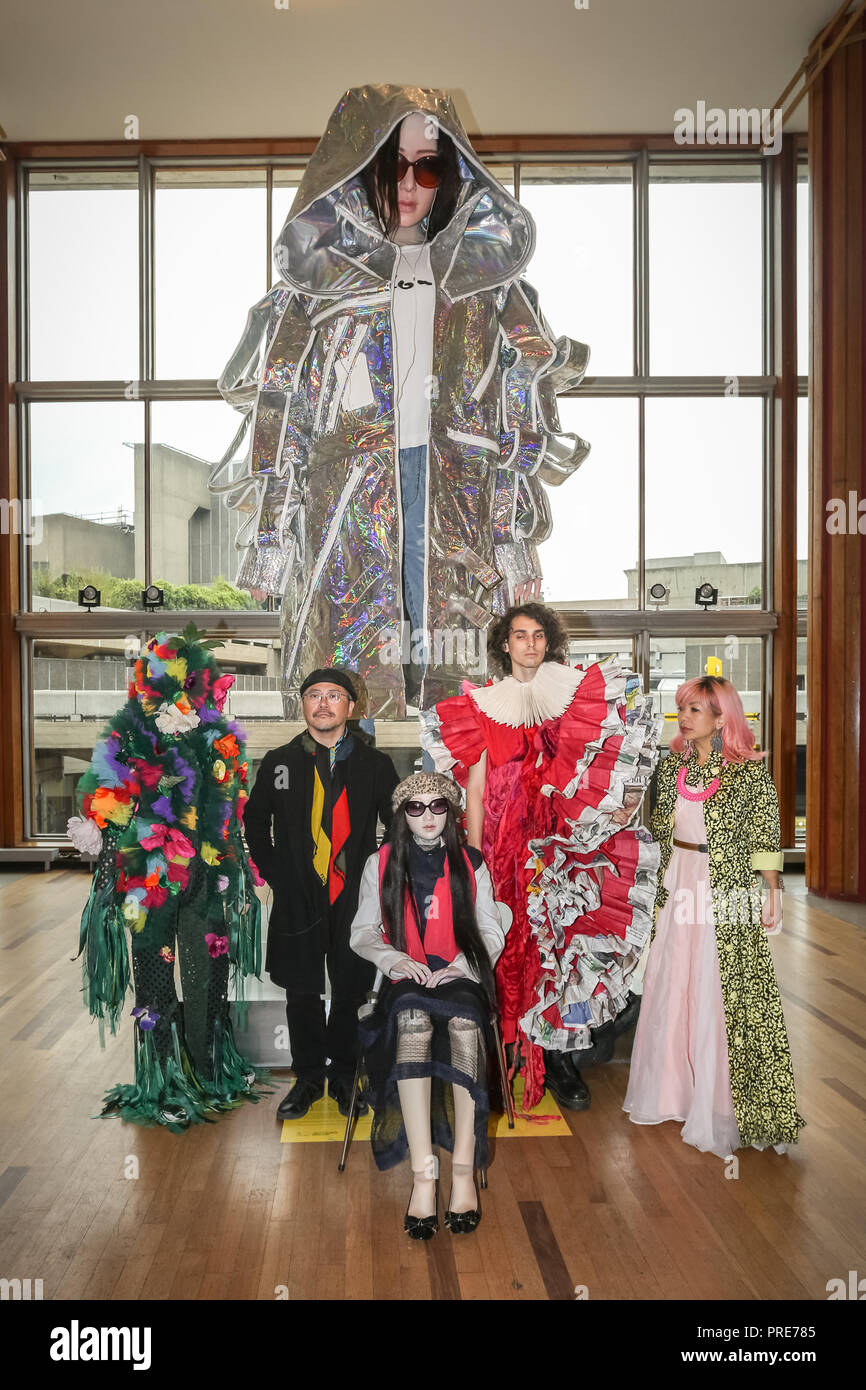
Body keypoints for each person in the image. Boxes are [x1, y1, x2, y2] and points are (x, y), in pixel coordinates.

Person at [211, 83, 591, 718]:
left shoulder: (488, 288)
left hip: (456, 491)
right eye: (395, 164)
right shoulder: (317, 291)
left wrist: (513, 536)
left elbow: (516, 406)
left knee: (458, 662)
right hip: (349, 494)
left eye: (429, 165)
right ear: (360, 168)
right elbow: (285, 407)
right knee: (348, 655)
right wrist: (273, 534)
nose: (411, 183)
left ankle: (447, 798)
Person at [423, 603, 661, 1113]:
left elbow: (605, 770)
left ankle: (559, 1059)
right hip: (504, 850)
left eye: (537, 635)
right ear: (504, 645)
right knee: (503, 949)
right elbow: (478, 788)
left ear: (547, 642)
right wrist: (474, 858)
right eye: (518, 635)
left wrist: (611, 817)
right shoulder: (483, 705)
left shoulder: (577, 698)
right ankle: (500, 1053)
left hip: (564, 849)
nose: (528, 644)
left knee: (562, 952)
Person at [69, 623, 264, 1131]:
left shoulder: (220, 735)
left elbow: (232, 806)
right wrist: (103, 840)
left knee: (209, 975)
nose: (176, 686)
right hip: (146, 878)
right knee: (152, 980)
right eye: (162, 674)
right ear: (147, 679)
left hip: (208, 874)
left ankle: (207, 1071)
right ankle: (163, 1080)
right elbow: (104, 795)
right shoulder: (127, 733)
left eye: (186, 675)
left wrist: (238, 870)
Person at [623, 676, 805, 1157]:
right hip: (678, 879)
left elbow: (766, 833)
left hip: (726, 886)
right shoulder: (672, 767)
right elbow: (659, 830)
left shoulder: (748, 774)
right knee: (673, 984)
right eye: (682, 708)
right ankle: (674, 1092)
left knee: (722, 990)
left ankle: (724, 1101)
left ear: (722, 718)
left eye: (696, 710)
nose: (684, 717)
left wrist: (771, 890)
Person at [350, 773, 507, 1238]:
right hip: (407, 977)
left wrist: (461, 965)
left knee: (462, 1024)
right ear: (402, 815)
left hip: (460, 975)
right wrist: (395, 959)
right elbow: (362, 932)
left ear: (451, 812)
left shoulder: (471, 862)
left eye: (438, 806)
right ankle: (423, 1174)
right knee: (414, 1022)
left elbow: (491, 929)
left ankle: (461, 1171)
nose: (427, 816)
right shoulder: (379, 862)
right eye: (415, 808)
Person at [243, 667, 398, 1120]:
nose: (323, 703)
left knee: (351, 990)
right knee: (302, 992)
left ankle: (346, 1073)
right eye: (314, 695)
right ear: (303, 704)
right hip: (299, 896)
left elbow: (396, 824)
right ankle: (309, 1076)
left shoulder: (375, 765)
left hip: (354, 896)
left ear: (352, 706)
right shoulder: (279, 762)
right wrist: (277, 875)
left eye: (334, 695)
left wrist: (378, 875)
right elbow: (255, 821)